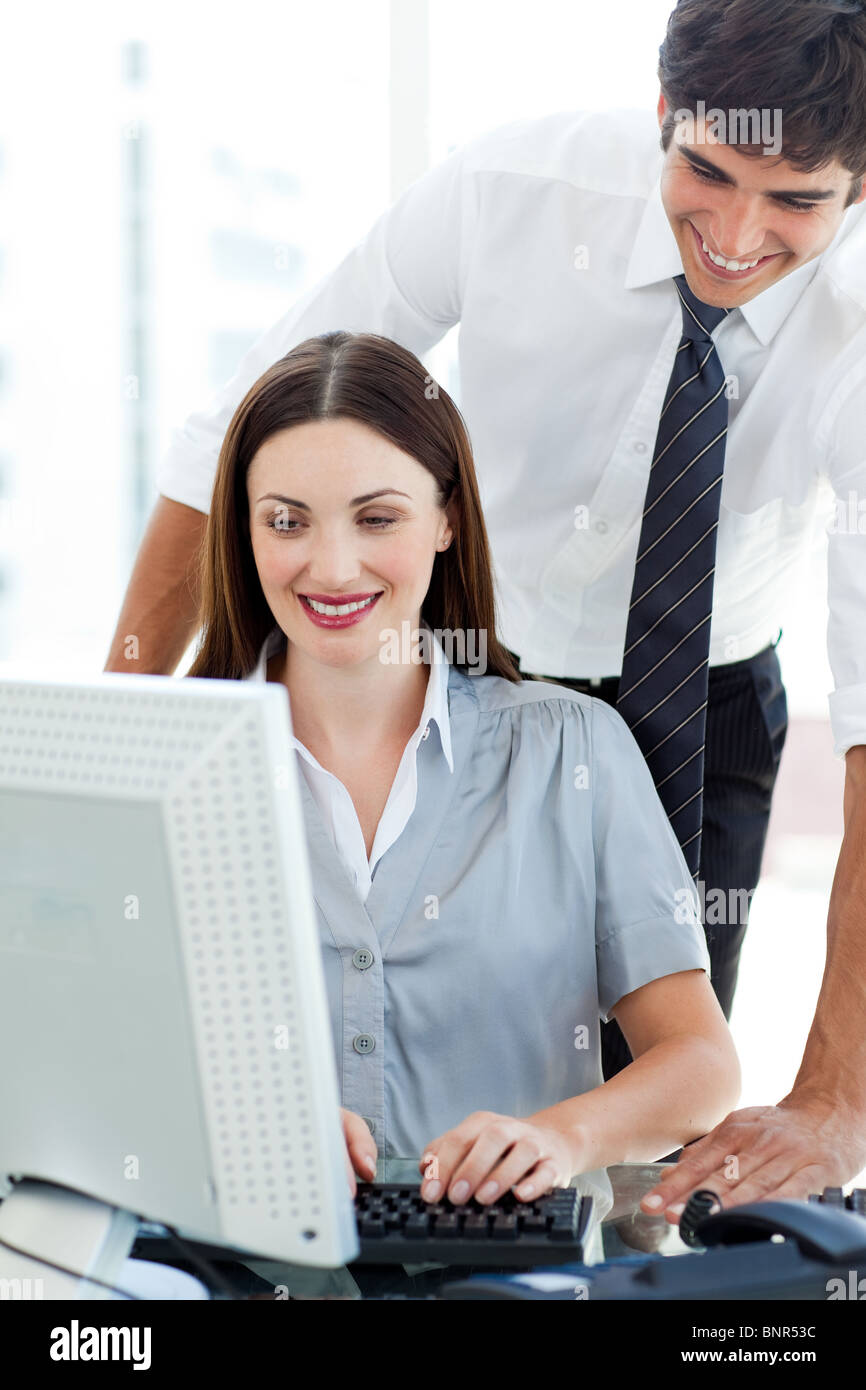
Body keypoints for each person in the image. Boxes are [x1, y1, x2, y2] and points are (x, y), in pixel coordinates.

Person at [106, 0, 866, 1213]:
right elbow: (240, 434)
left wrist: (834, 1096)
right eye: (706, 171)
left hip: (701, 693)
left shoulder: (856, 328)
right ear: (659, 112)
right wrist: (122, 744)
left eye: (792, 202)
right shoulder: (510, 188)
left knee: (640, 1154)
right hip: (449, 655)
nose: (729, 235)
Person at [186, 330, 740, 1203]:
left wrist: (558, 1138)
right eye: (287, 520)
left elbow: (701, 1064)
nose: (332, 568)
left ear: (446, 517)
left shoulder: (575, 750)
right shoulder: (169, 772)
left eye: (377, 518)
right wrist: (227, 1116)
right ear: (245, 530)